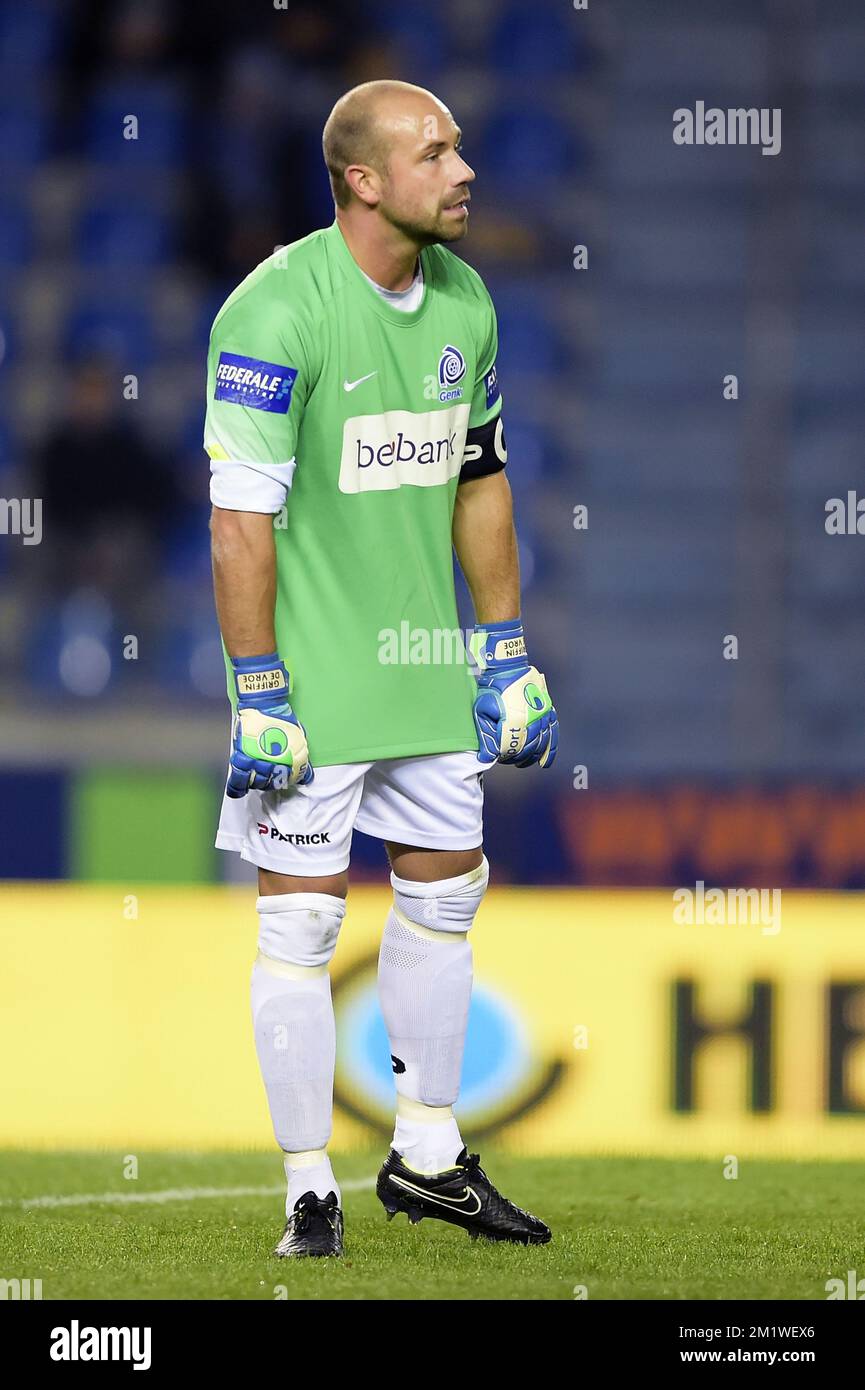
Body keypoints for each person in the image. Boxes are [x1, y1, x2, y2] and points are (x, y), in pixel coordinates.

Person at [205, 79, 559, 1258]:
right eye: (433, 150)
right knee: (300, 933)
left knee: (447, 898)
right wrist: (258, 692)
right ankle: (310, 1187)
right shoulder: (274, 310)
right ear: (361, 180)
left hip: (423, 680)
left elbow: (481, 477)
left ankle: (428, 1154)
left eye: (459, 145)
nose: (462, 169)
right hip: (311, 693)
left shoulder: (465, 302)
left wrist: (502, 651)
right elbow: (238, 521)